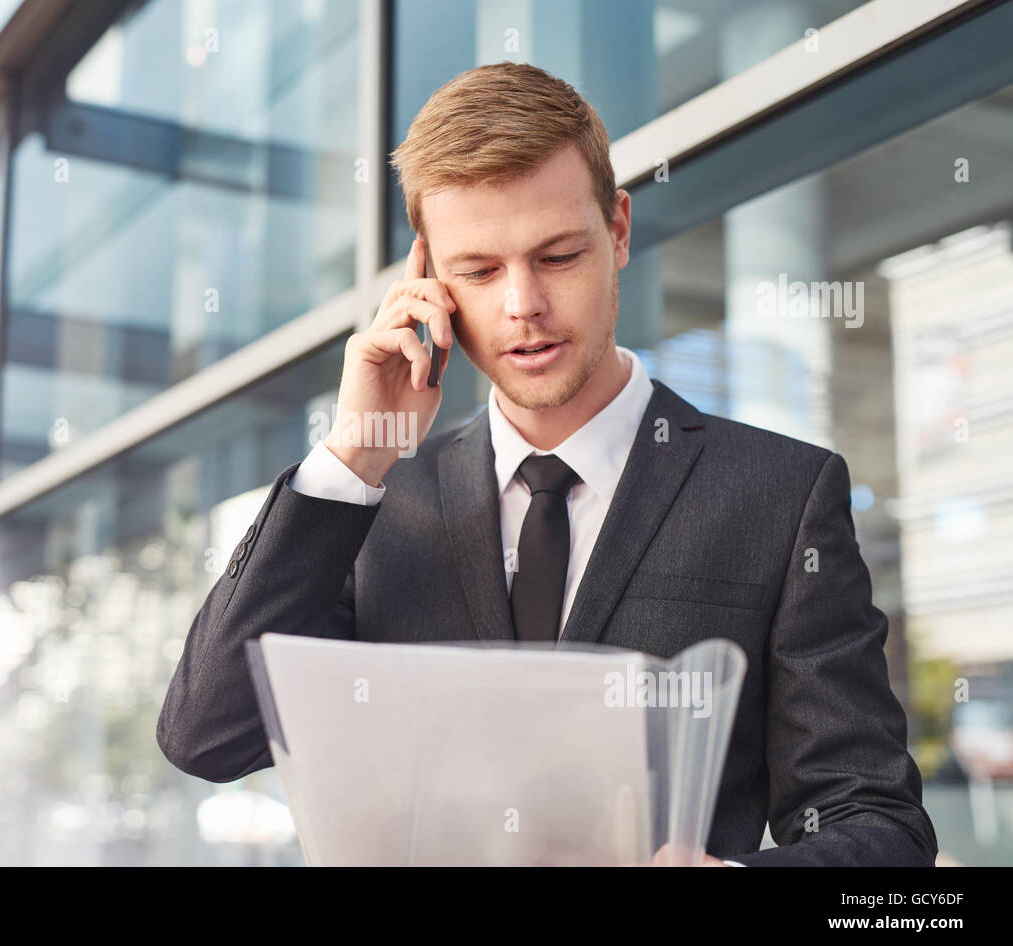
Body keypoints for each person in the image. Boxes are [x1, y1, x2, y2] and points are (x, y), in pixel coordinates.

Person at [157, 61, 938, 866]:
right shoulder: (376, 507)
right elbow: (207, 736)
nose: (521, 303)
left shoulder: (781, 496)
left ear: (620, 230)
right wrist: (353, 454)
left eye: (558, 255)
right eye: (480, 270)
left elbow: (877, 823)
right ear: (427, 276)